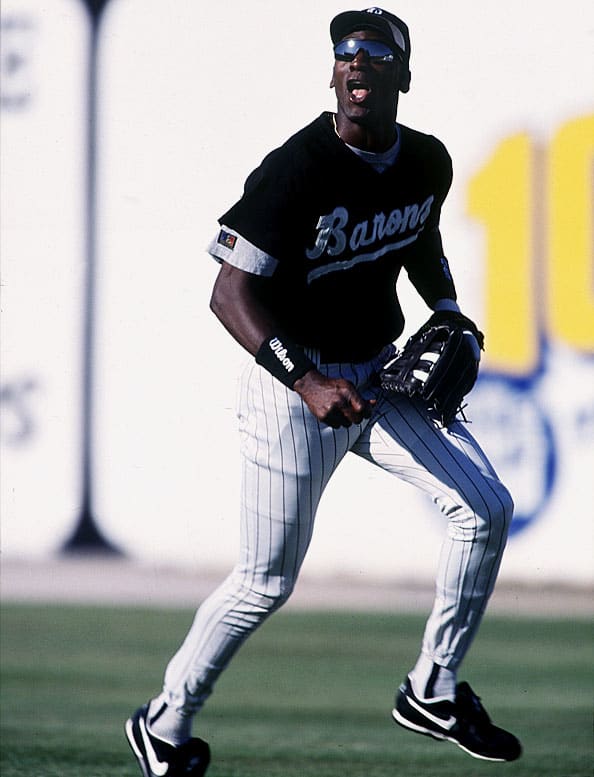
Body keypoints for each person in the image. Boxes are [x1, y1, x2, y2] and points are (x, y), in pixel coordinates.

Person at [125, 8, 522, 775]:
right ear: (333, 73)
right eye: (345, 55)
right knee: (264, 581)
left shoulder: (426, 162)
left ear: (403, 77)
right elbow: (230, 292)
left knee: (485, 508)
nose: (357, 65)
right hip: (291, 385)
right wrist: (304, 379)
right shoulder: (297, 167)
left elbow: (421, 235)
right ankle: (165, 721)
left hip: (377, 372)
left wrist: (446, 311)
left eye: (376, 54)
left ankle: (432, 688)